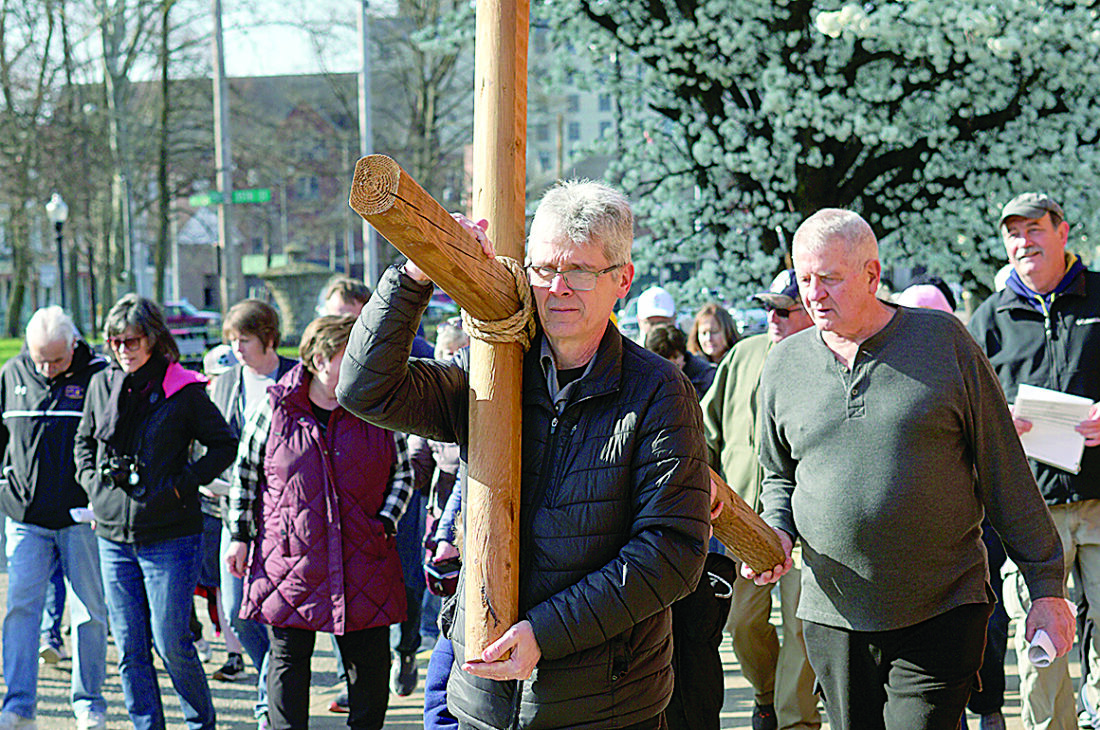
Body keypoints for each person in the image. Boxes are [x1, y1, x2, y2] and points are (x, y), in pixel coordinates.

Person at [336, 179, 712, 729]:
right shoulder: (494, 369)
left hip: (602, 704)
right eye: (542, 269)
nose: (557, 287)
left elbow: (673, 551)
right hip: (485, 694)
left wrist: (546, 633)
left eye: (579, 271)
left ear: (622, 281)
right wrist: (417, 274)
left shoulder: (657, 390)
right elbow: (365, 389)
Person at [745, 208, 1074, 730]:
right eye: (805, 278)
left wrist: (1047, 587)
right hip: (833, 614)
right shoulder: (784, 364)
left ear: (872, 275)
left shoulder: (942, 343)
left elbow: (1004, 470)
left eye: (829, 278)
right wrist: (777, 531)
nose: (814, 293)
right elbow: (779, 475)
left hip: (942, 607)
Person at [226, 314, 414, 730]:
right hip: (290, 558)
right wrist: (239, 535)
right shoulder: (274, 408)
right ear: (317, 358)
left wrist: (385, 520)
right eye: (348, 358)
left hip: (363, 554)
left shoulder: (376, 405)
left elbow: (403, 472)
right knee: (288, 664)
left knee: (369, 667)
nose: (358, 368)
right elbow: (246, 475)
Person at [968, 192, 1100, 730]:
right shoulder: (988, 319)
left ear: (1063, 232)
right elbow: (966, 406)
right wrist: (998, 426)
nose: (1024, 242)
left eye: (1035, 230)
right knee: (1039, 640)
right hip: (1029, 508)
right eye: (1013, 233)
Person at [74, 294, 237, 730]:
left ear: (153, 338)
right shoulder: (101, 385)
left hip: (171, 534)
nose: (123, 349)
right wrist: (93, 484)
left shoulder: (182, 388)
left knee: (172, 643)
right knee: (130, 647)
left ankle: (201, 722)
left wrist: (183, 486)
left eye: (132, 340)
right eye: (115, 341)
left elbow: (224, 444)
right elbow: (84, 442)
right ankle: (149, 725)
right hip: (112, 534)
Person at [700, 271, 820, 730]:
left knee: (799, 630)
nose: (772, 317)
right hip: (743, 524)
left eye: (784, 309)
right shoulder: (743, 356)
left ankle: (795, 721)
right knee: (742, 624)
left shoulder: (826, 359)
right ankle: (767, 695)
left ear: (809, 310)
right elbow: (707, 431)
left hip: (807, 528)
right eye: (768, 307)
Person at [318, 279, 431, 707]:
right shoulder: (323, 359)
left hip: (399, 485)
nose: (339, 328)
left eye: (347, 318)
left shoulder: (414, 350)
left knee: (403, 579)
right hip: (344, 498)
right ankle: (358, 683)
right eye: (332, 317)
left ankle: (404, 651)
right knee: (340, 585)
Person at [0, 306, 109, 730]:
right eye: (39, 359)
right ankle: (19, 705)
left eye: (57, 360)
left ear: (74, 346)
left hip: (82, 517)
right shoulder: (12, 374)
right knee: (21, 609)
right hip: (24, 516)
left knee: (89, 612)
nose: (47, 368)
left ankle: (89, 703)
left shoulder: (98, 375)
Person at [208, 300, 296, 726]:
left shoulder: (297, 376)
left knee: (277, 613)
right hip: (234, 512)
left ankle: (268, 700)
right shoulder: (224, 384)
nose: (237, 349)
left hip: (287, 519)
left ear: (268, 338)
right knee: (234, 610)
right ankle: (270, 679)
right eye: (232, 340)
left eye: (244, 340)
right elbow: (211, 444)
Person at [644, 323, 716, 398]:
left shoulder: (706, 377)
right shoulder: (646, 381)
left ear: (683, 354)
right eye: (664, 360)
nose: (671, 364)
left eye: (675, 357)